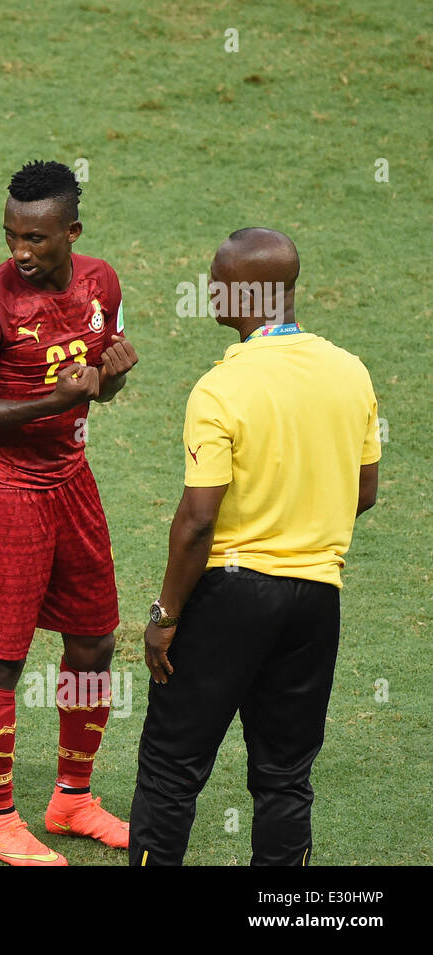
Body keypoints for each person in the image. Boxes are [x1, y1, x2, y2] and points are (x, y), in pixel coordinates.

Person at [129, 229, 380, 866]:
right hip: (316, 601)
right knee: (285, 776)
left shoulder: (223, 387)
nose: (207, 287)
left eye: (215, 278)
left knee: (171, 767)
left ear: (246, 290)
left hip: (229, 596)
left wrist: (164, 617)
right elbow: (365, 490)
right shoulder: (350, 371)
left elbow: (196, 522)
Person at [0, 160, 139, 866]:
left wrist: (110, 381)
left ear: (71, 233)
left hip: (73, 483)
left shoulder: (102, 283)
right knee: (1, 656)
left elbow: (97, 383)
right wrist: (53, 403)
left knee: (95, 639)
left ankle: (72, 797)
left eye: (35, 238)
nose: (20, 252)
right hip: (8, 491)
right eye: (10, 236)